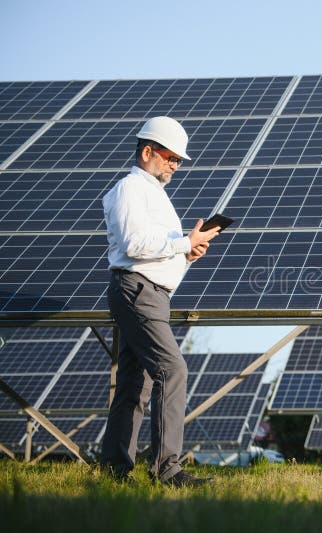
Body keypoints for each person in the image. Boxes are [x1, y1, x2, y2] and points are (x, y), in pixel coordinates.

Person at [100, 116, 221, 487]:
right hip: (137, 291)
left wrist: (185, 254)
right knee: (173, 370)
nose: (175, 165)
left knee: (136, 385)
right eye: (171, 157)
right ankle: (167, 471)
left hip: (149, 293)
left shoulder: (153, 194)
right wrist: (183, 243)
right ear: (148, 151)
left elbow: (151, 249)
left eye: (179, 160)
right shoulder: (130, 189)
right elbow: (133, 245)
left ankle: (115, 471)